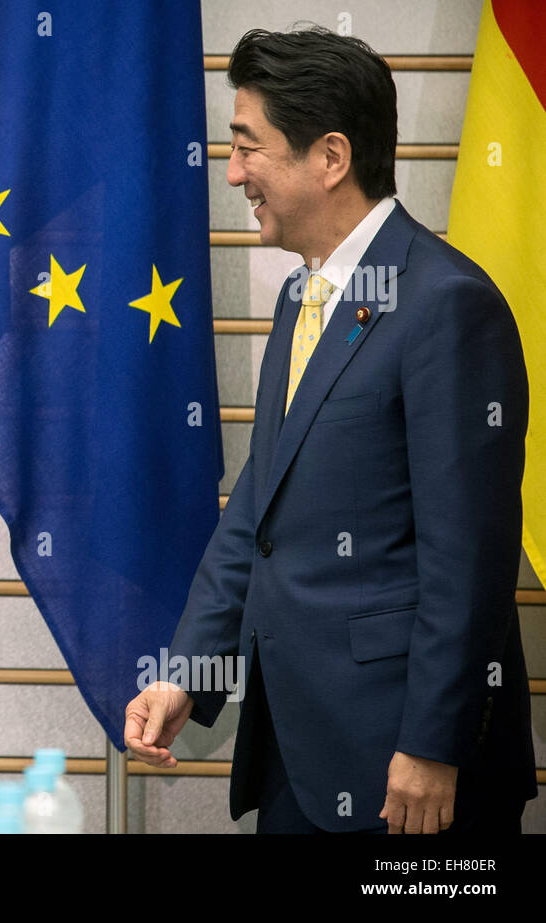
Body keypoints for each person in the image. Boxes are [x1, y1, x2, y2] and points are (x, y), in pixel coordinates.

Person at [123, 27, 537, 833]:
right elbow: (258, 513)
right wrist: (188, 671)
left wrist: (431, 742)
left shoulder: (445, 303)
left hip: (408, 774)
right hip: (297, 758)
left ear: (332, 157)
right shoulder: (302, 294)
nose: (234, 170)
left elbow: (472, 556)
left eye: (249, 146)